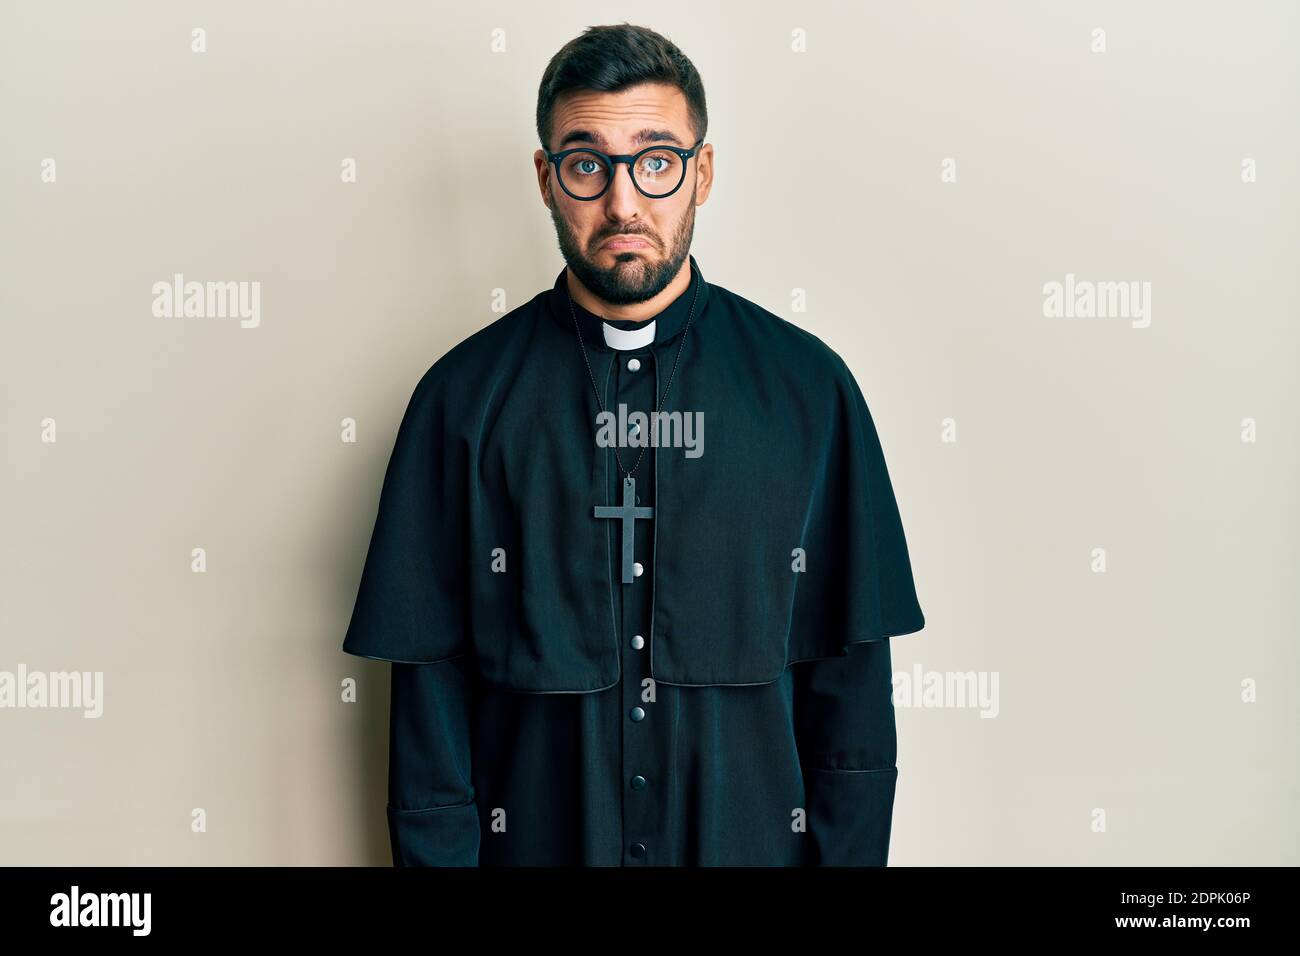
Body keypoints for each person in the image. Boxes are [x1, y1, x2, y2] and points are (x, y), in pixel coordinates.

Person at [342, 22, 925, 866]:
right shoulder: (461, 404)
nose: (623, 203)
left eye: (656, 162)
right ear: (546, 179)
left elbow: (854, 719)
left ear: (703, 172)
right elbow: (429, 728)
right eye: (588, 165)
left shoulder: (809, 395)